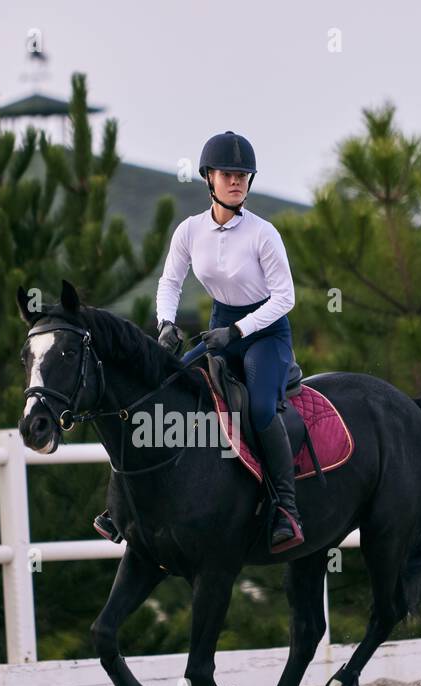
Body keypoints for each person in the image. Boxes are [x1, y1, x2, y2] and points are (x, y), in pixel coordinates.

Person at [93, 130, 304, 553]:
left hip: (265, 332)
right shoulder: (190, 231)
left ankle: (286, 508)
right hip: (220, 325)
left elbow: (286, 297)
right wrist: (166, 323)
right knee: (162, 396)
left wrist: (240, 331)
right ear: (209, 178)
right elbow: (170, 281)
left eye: (244, 175)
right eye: (228, 174)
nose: (237, 181)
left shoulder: (264, 234)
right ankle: (120, 507)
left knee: (261, 407)